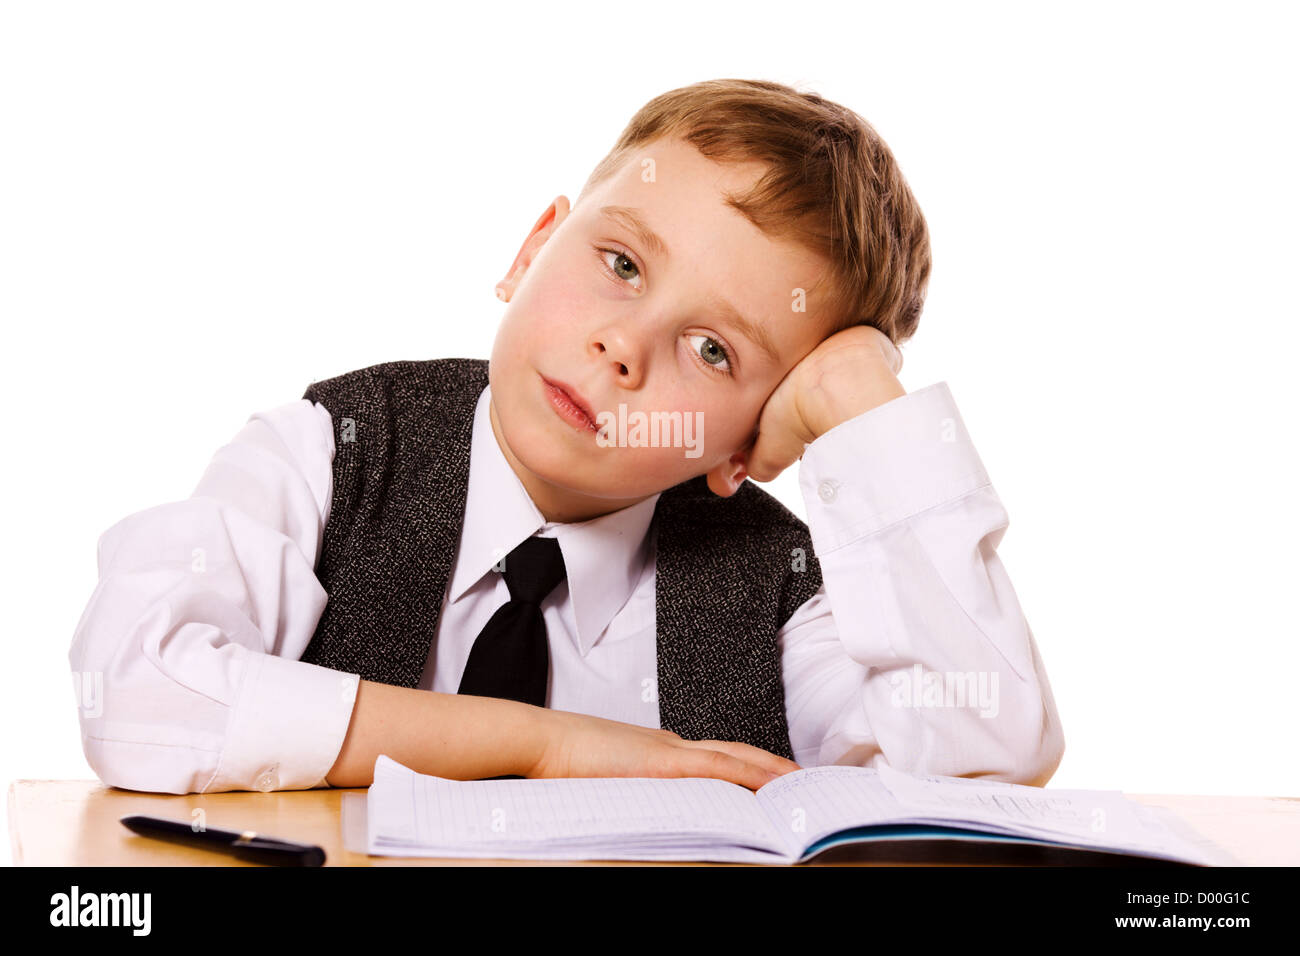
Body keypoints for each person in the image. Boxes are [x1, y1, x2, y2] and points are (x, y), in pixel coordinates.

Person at [68, 78, 1064, 795]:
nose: (622, 346)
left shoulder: (775, 585)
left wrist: (864, 406)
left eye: (714, 349)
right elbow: (138, 686)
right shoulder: (332, 451)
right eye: (623, 262)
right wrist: (546, 745)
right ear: (533, 246)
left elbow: (981, 767)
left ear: (743, 447)